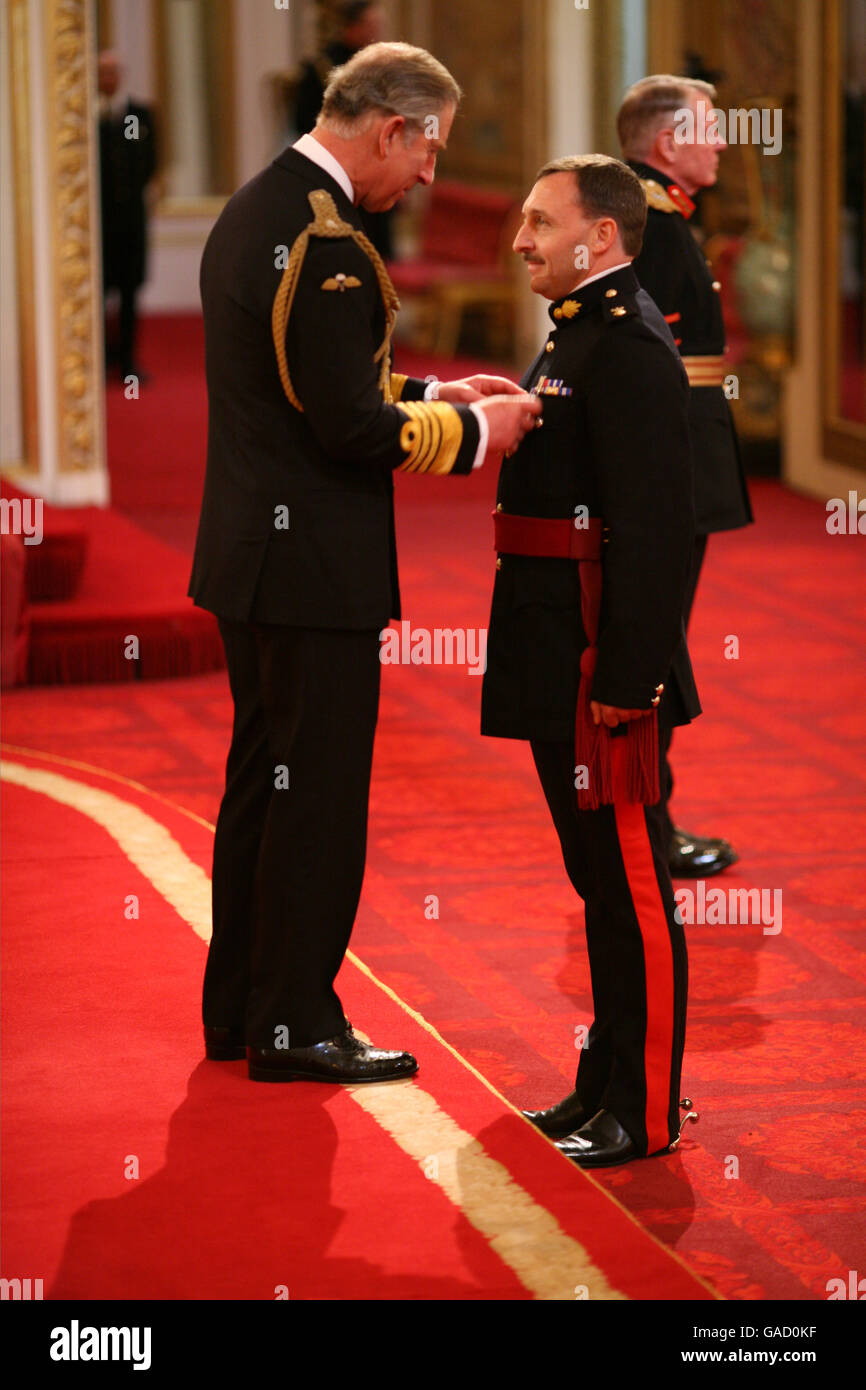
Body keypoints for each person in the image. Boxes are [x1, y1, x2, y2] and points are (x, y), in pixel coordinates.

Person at [188, 42, 540, 1085]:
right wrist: (478, 439)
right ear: (391, 127)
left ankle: (242, 1008)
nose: (428, 171)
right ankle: (295, 1022)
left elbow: (315, 377)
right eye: (426, 146)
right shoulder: (326, 241)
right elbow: (344, 423)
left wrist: (434, 394)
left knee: (263, 782)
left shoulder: (262, 207)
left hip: (253, 556)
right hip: (312, 572)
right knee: (317, 798)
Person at [480, 155, 700, 1167]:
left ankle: (644, 1108)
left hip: (595, 662)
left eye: (539, 221)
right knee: (595, 881)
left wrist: (624, 679)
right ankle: (602, 1081)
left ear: (599, 236)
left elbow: (660, 530)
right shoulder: (577, 332)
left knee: (628, 888)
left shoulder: (627, 345)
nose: (520, 238)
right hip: (551, 638)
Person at [617, 75, 754, 878]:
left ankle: (648, 820)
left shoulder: (654, 211)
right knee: (656, 650)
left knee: (658, 645)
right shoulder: (656, 222)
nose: (725, 143)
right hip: (671, 457)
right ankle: (651, 828)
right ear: (668, 144)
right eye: (711, 129)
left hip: (677, 449)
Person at [293, 1, 393, 260]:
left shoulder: (381, 69)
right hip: (334, 175)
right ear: (354, 26)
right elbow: (304, 122)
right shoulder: (322, 68)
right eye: (373, 25)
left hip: (375, 172)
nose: (378, 32)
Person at [97, 51, 157, 380]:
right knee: (99, 293)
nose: (107, 78)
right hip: (97, 226)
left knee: (129, 293)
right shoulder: (84, 119)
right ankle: (102, 357)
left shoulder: (136, 117)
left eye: (111, 72)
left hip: (130, 222)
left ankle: (128, 361)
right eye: (101, 72)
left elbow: (145, 162)